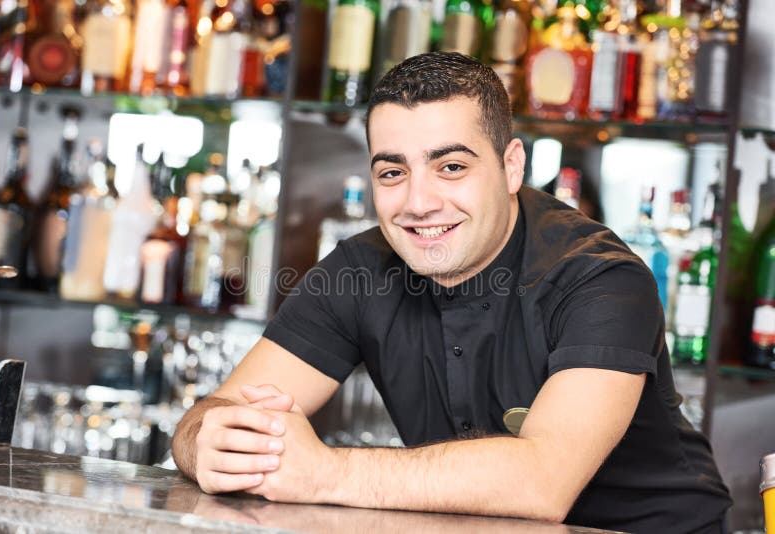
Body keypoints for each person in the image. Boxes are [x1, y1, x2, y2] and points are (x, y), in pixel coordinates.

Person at [171, 52, 731, 533]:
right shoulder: (359, 270)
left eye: (452, 166)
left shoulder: (600, 278)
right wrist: (211, 445)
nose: (419, 202)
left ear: (512, 166)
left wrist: (322, 470)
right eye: (393, 173)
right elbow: (209, 415)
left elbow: (542, 482)